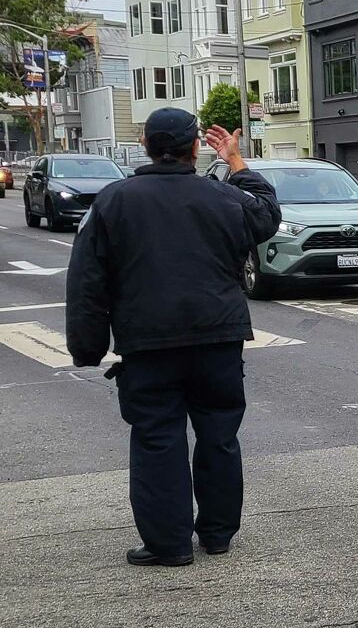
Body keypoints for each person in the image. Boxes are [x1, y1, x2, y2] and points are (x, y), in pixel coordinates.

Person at [65, 110, 281, 565]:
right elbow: (266, 216)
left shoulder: (113, 201)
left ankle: (168, 544)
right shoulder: (224, 197)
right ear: (195, 147)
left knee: (156, 438)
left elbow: (87, 281)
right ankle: (218, 534)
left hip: (148, 343)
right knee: (219, 435)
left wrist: (87, 347)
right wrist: (237, 161)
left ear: (144, 143)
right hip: (217, 337)